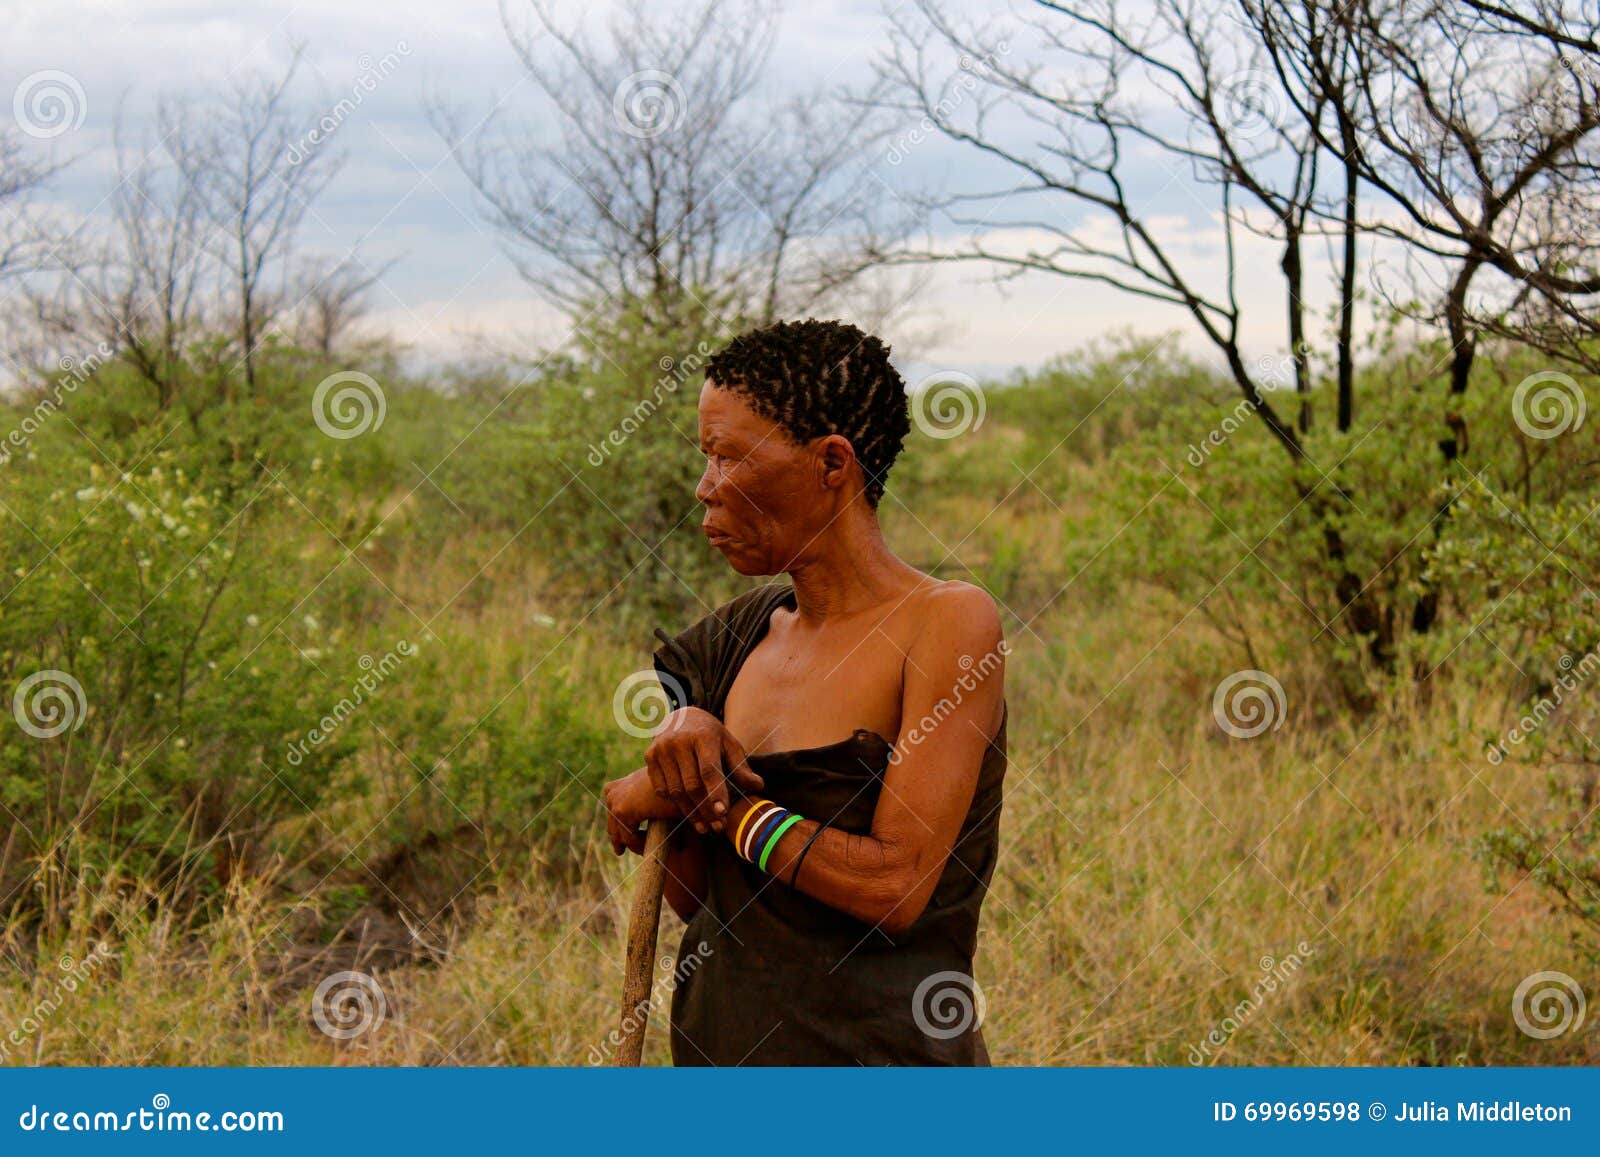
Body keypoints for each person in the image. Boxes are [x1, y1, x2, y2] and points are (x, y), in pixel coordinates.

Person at [602, 317, 1008, 1065]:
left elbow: (894, 886)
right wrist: (666, 761)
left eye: (729, 457)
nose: (705, 489)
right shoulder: (727, 642)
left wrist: (717, 805)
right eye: (705, 458)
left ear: (831, 462)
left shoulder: (946, 623)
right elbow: (700, 901)